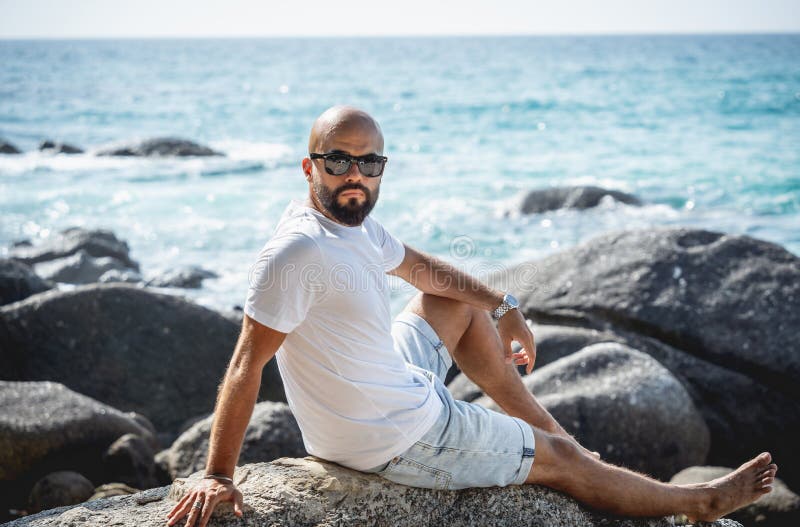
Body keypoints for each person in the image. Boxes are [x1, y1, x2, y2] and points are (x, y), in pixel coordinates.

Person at [166, 106, 777, 527]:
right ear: (309, 167)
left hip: (390, 383)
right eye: (338, 161)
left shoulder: (352, 224)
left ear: (382, 167)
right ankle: (692, 503)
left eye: (369, 163)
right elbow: (246, 365)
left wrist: (504, 306)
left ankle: (554, 439)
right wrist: (218, 474)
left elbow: (426, 271)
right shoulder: (299, 251)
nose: (355, 176)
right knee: (562, 467)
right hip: (396, 436)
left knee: (450, 300)